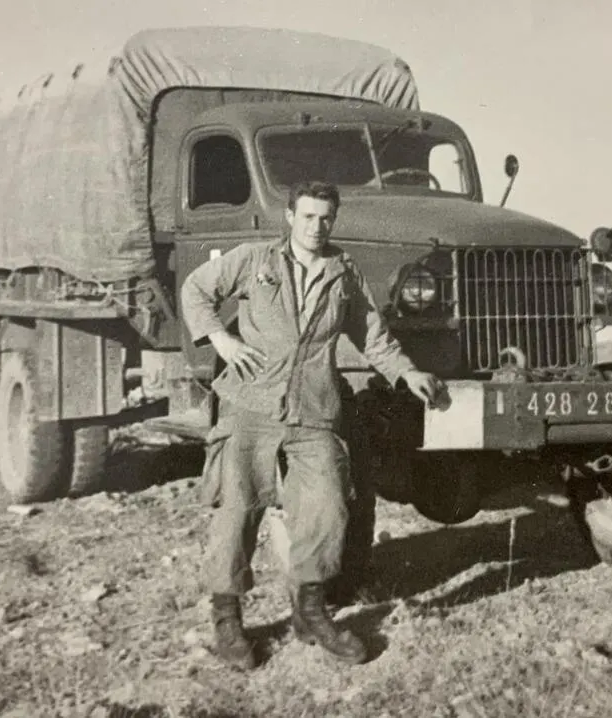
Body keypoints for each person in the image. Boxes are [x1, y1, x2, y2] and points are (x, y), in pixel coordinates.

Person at [180, 180, 444, 669]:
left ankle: (310, 610)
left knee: (328, 508)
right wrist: (221, 341)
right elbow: (196, 289)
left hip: (315, 410)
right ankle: (227, 618)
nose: (317, 227)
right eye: (308, 217)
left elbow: (372, 334)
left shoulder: (342, 273)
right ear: (289, 217)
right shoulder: (255, 260)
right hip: (251, 404)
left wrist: (406, 371)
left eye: (326, 218)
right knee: (237, 510)